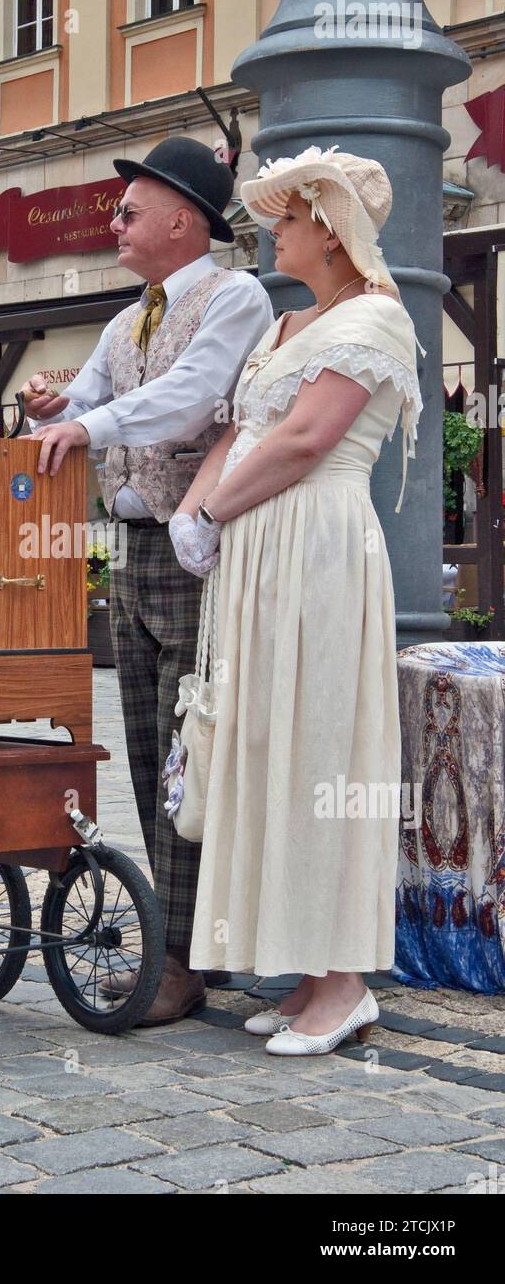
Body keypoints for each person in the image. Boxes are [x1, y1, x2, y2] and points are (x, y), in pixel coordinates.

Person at [170, 146, 423, 1054]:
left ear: (327, 224)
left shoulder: (376, 320)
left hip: (316, 544)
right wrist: (196, 516)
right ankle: (304, 963)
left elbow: (308, 440)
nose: (270, 231)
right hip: (257, 547)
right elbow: (243, 436)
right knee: (266, 740)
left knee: (320, 740)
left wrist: (215, 514)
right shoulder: (284, 329)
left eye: (284, 218)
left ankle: (346, 979)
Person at [22, 137, 273, 1024]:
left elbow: (197, 396)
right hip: (129, 551)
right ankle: (182, 940)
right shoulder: (126, 318)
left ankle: (181, 958)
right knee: (142, 750)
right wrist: (57, 410)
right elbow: (93, 397)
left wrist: (88, 428)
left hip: (197, 550)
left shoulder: (233, 295)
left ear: (182, 218)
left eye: (130, 210)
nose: (114, 221)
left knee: (186, 755)